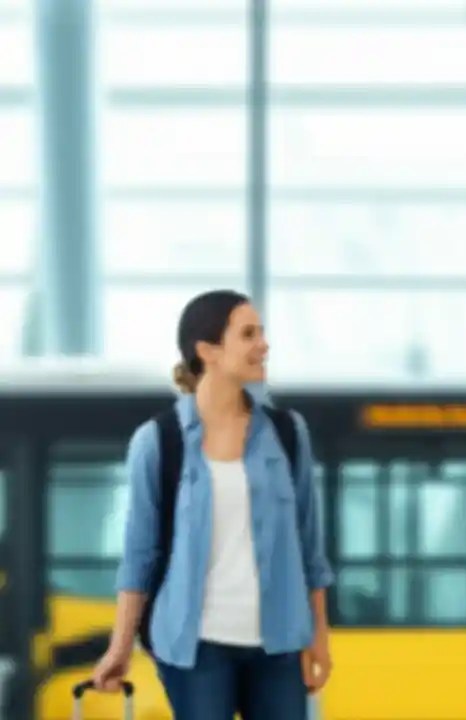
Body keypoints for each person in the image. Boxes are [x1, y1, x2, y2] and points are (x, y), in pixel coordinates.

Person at [90, 289, 335, 720]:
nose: (264, 344)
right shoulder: (158, 441)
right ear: (208, 351)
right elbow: (139, 556)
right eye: (248, 334)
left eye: (261, 332)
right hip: (194, 647)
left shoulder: (287, 433)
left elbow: (309, 548)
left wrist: (319, 637)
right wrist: (120, 647)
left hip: (278, 643)